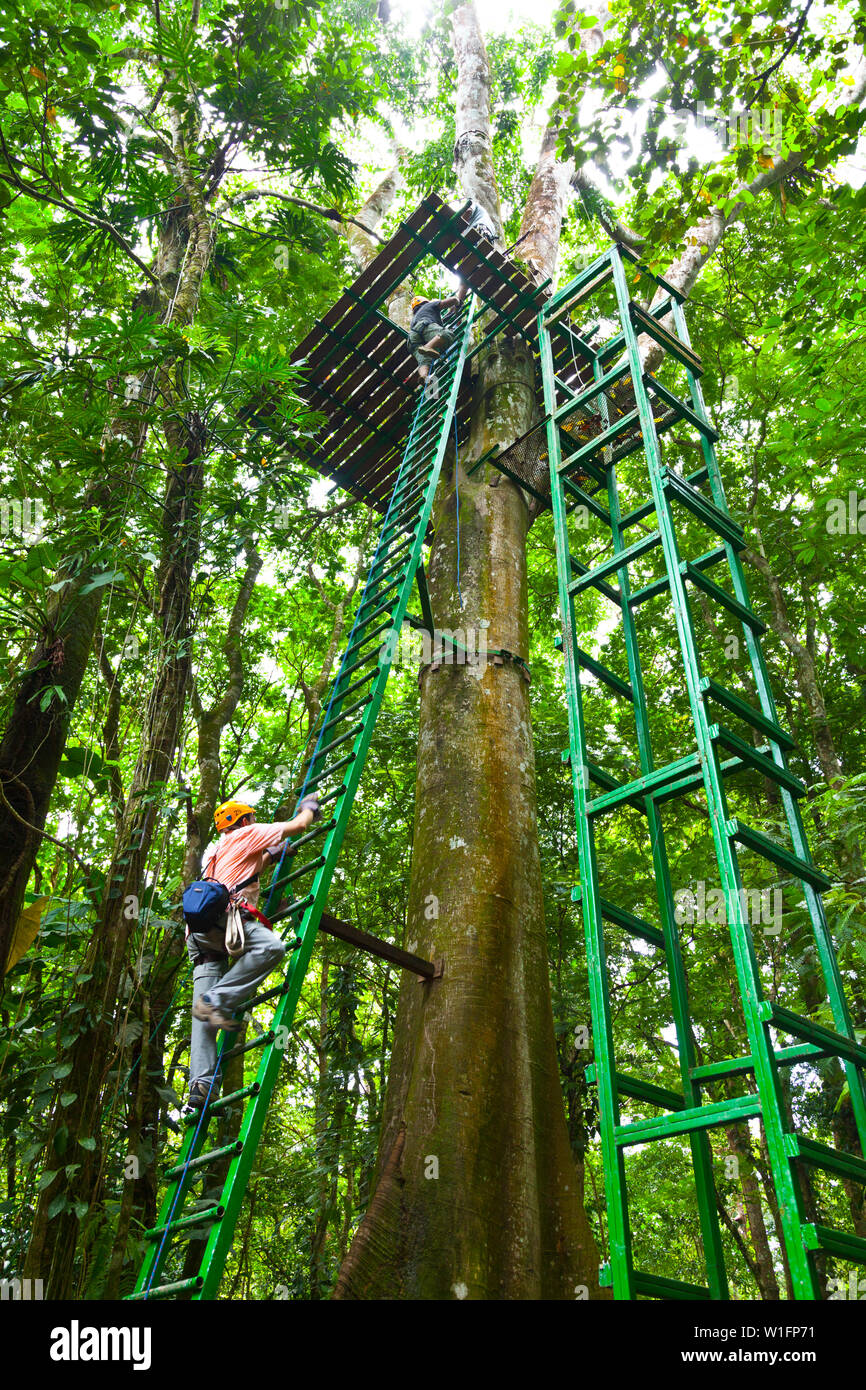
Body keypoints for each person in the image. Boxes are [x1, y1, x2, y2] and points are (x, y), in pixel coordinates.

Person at [184, 795, 320, 1113]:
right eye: (251, 818)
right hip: (227, 921)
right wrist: (309, 809)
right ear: (243, 821)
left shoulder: (214, 853)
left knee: (202, 1017)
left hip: (199, 935)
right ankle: (216, 1001)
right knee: (272, 947)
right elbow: (299, 825)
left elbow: (254, 863)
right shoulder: (245, 833)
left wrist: (276, 853)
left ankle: (201, 1087)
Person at [407, 284, 468, 388]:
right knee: (446, 334)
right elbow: (452, 300)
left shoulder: (416, 317)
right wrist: (458, 302)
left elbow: (445, 318)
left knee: (424, 360)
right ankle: (428, 347)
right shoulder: (429, 305)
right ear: (426, 302)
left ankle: (424, 376)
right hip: (425, 326)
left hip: (411, 340)